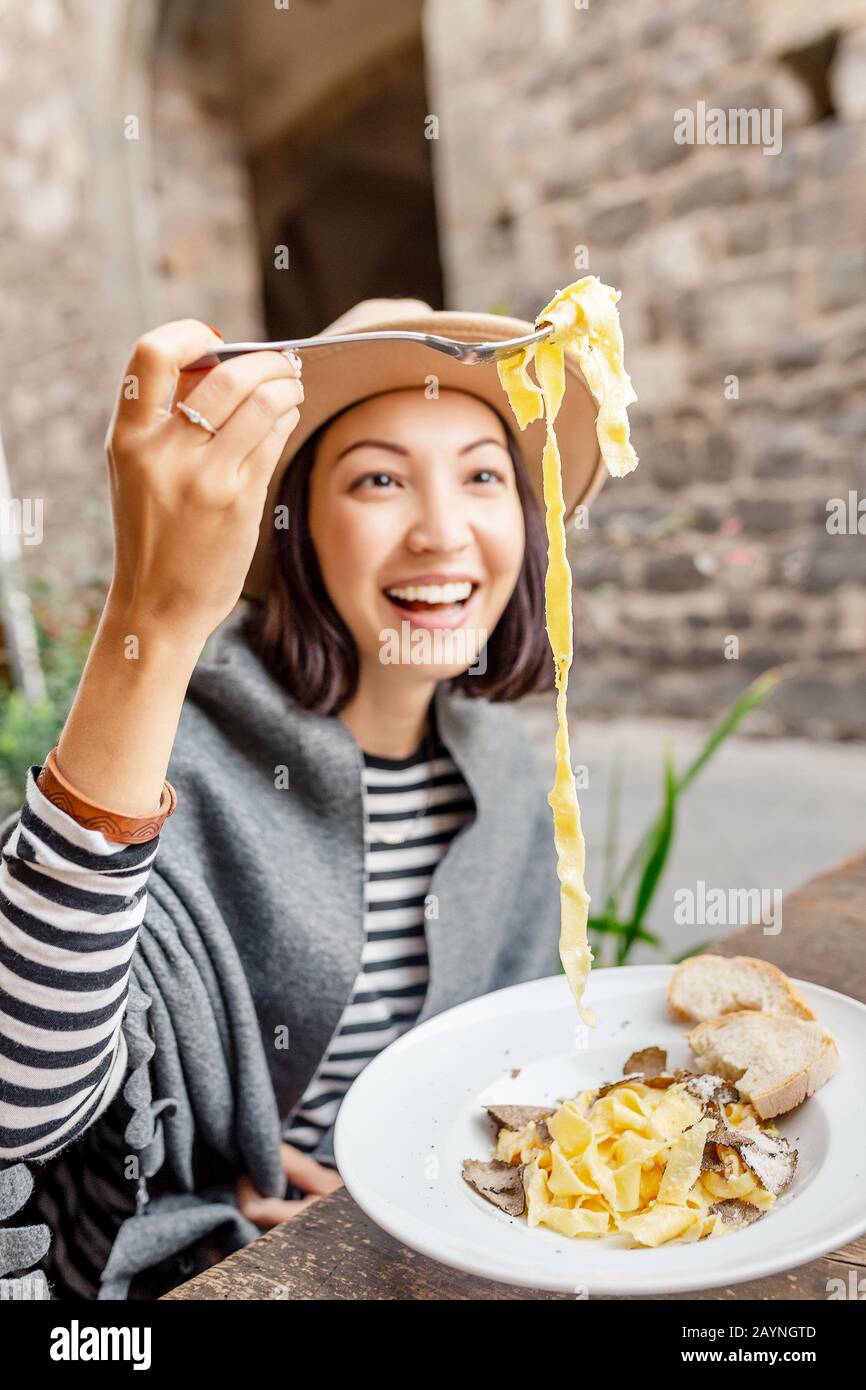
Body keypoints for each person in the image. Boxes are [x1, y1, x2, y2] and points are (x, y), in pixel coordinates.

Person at [0, 297, 604, 1300]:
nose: (441, 531)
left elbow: (514, 1059)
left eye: (483, 475)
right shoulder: (160, 754)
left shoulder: (501, 772)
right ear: (292, 526)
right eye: (377, 477)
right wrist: (149, 619)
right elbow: (15, 1098)